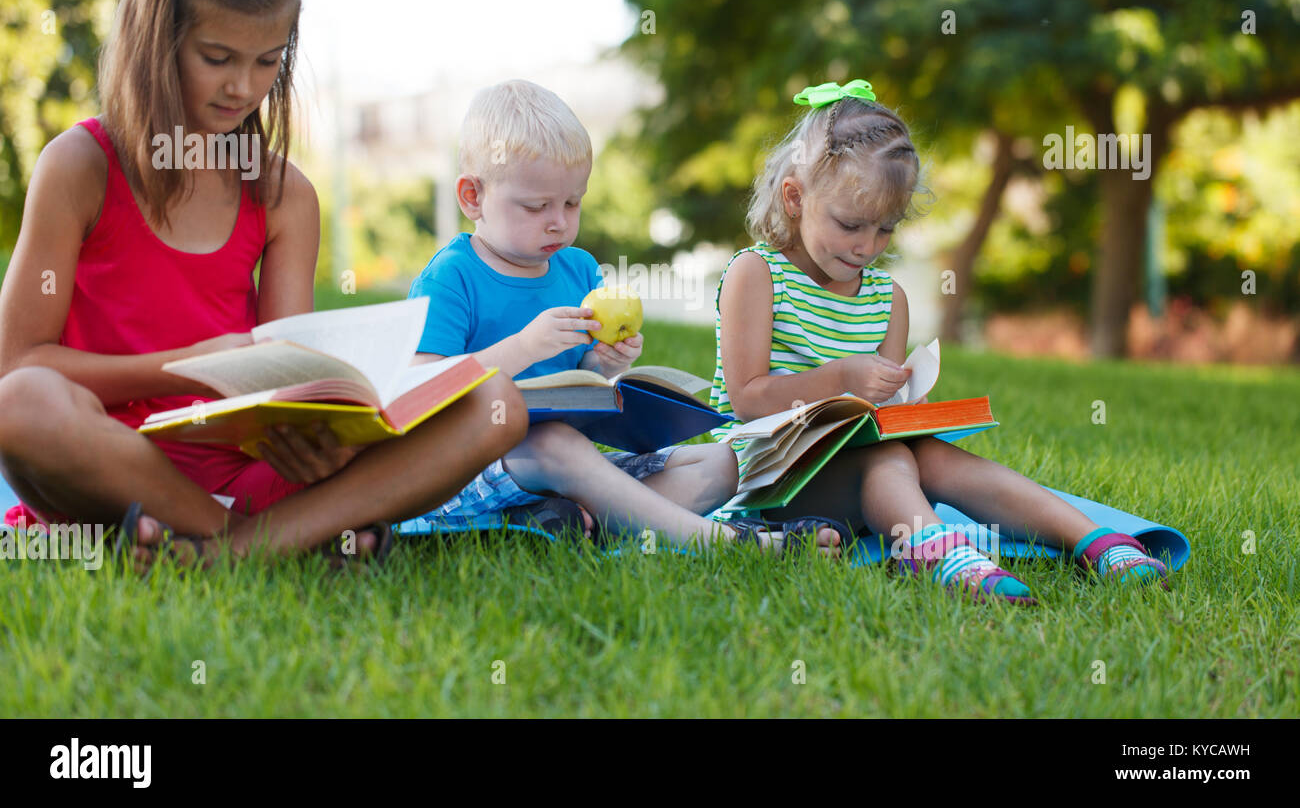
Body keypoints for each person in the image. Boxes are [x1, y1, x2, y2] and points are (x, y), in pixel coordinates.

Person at [0, 0, 526, 570]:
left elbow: (287, 381)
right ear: (155, 43)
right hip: (104, 455)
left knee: (494, 398)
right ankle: (280, 541)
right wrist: (190, 364)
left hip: (247, 476)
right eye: (216, 58)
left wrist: (318, 433)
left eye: (267, 62)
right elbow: (18, 365)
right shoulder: (79, 166)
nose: (243, 88)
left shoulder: (282, 193)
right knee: (20, 404)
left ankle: (234, 549)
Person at [710, 79, 1170, 602]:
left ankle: (1097, 542)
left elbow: (876, 419)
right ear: (795, 198)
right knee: (892, 460)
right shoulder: (758, 274)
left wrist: (904, 405)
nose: (866, 246)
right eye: (850, 224)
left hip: (858, 472)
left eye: (885, 229)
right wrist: (842, 378)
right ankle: (939, 555)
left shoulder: (888, 298)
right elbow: (746, 399)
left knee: (927, 454)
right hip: (770, 480)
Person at [408, 79, 844, 553]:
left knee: (720, 463)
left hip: (567, 467)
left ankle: (560, 522)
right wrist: (523, 348)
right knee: (556, 444)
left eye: (573, 202)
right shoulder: (452, 276)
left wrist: (604, 367)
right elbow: (419, 390)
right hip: (463, 475)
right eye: (536, 206)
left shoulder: (578, 269)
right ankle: (731, 544)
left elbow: (577, 384)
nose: (559, 220)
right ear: (472, 197)